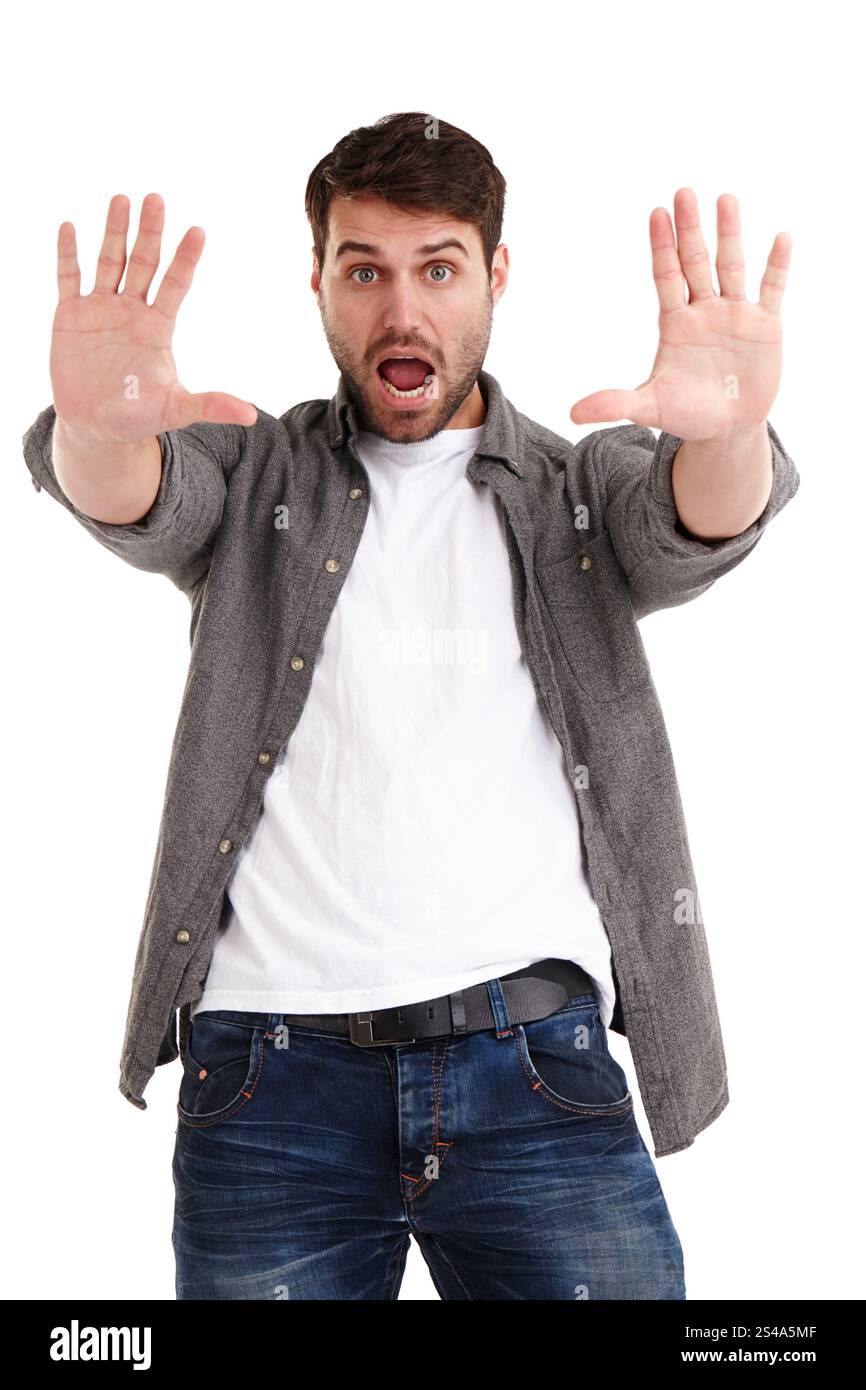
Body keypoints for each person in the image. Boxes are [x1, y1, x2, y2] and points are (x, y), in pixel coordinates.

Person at [22, 112, 799, 1300]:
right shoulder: (254, 474)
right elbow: (139, 493)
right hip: (267, 1084)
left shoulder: (576, 490)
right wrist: (93, 424)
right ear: (319, 282)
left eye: (437, 267)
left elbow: (691, 516)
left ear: (493, 275)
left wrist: (731, 430)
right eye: (364, 270)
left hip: (533, 1066)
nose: (402, 311)